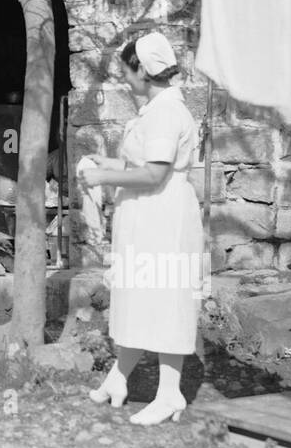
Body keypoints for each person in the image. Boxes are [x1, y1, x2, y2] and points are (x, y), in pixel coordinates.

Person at [75, 31, 204, 426]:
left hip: (164, 217)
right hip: (146, 216)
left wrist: (99, 179)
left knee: (165, 300)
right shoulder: (154, 109)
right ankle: (118, 379)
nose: (125, 80)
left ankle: (170, 394)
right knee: (138, 299)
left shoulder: (166, 113)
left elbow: (154, 174)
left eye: (128, 72)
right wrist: (108, 164)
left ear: (144, 71)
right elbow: (139, 166)